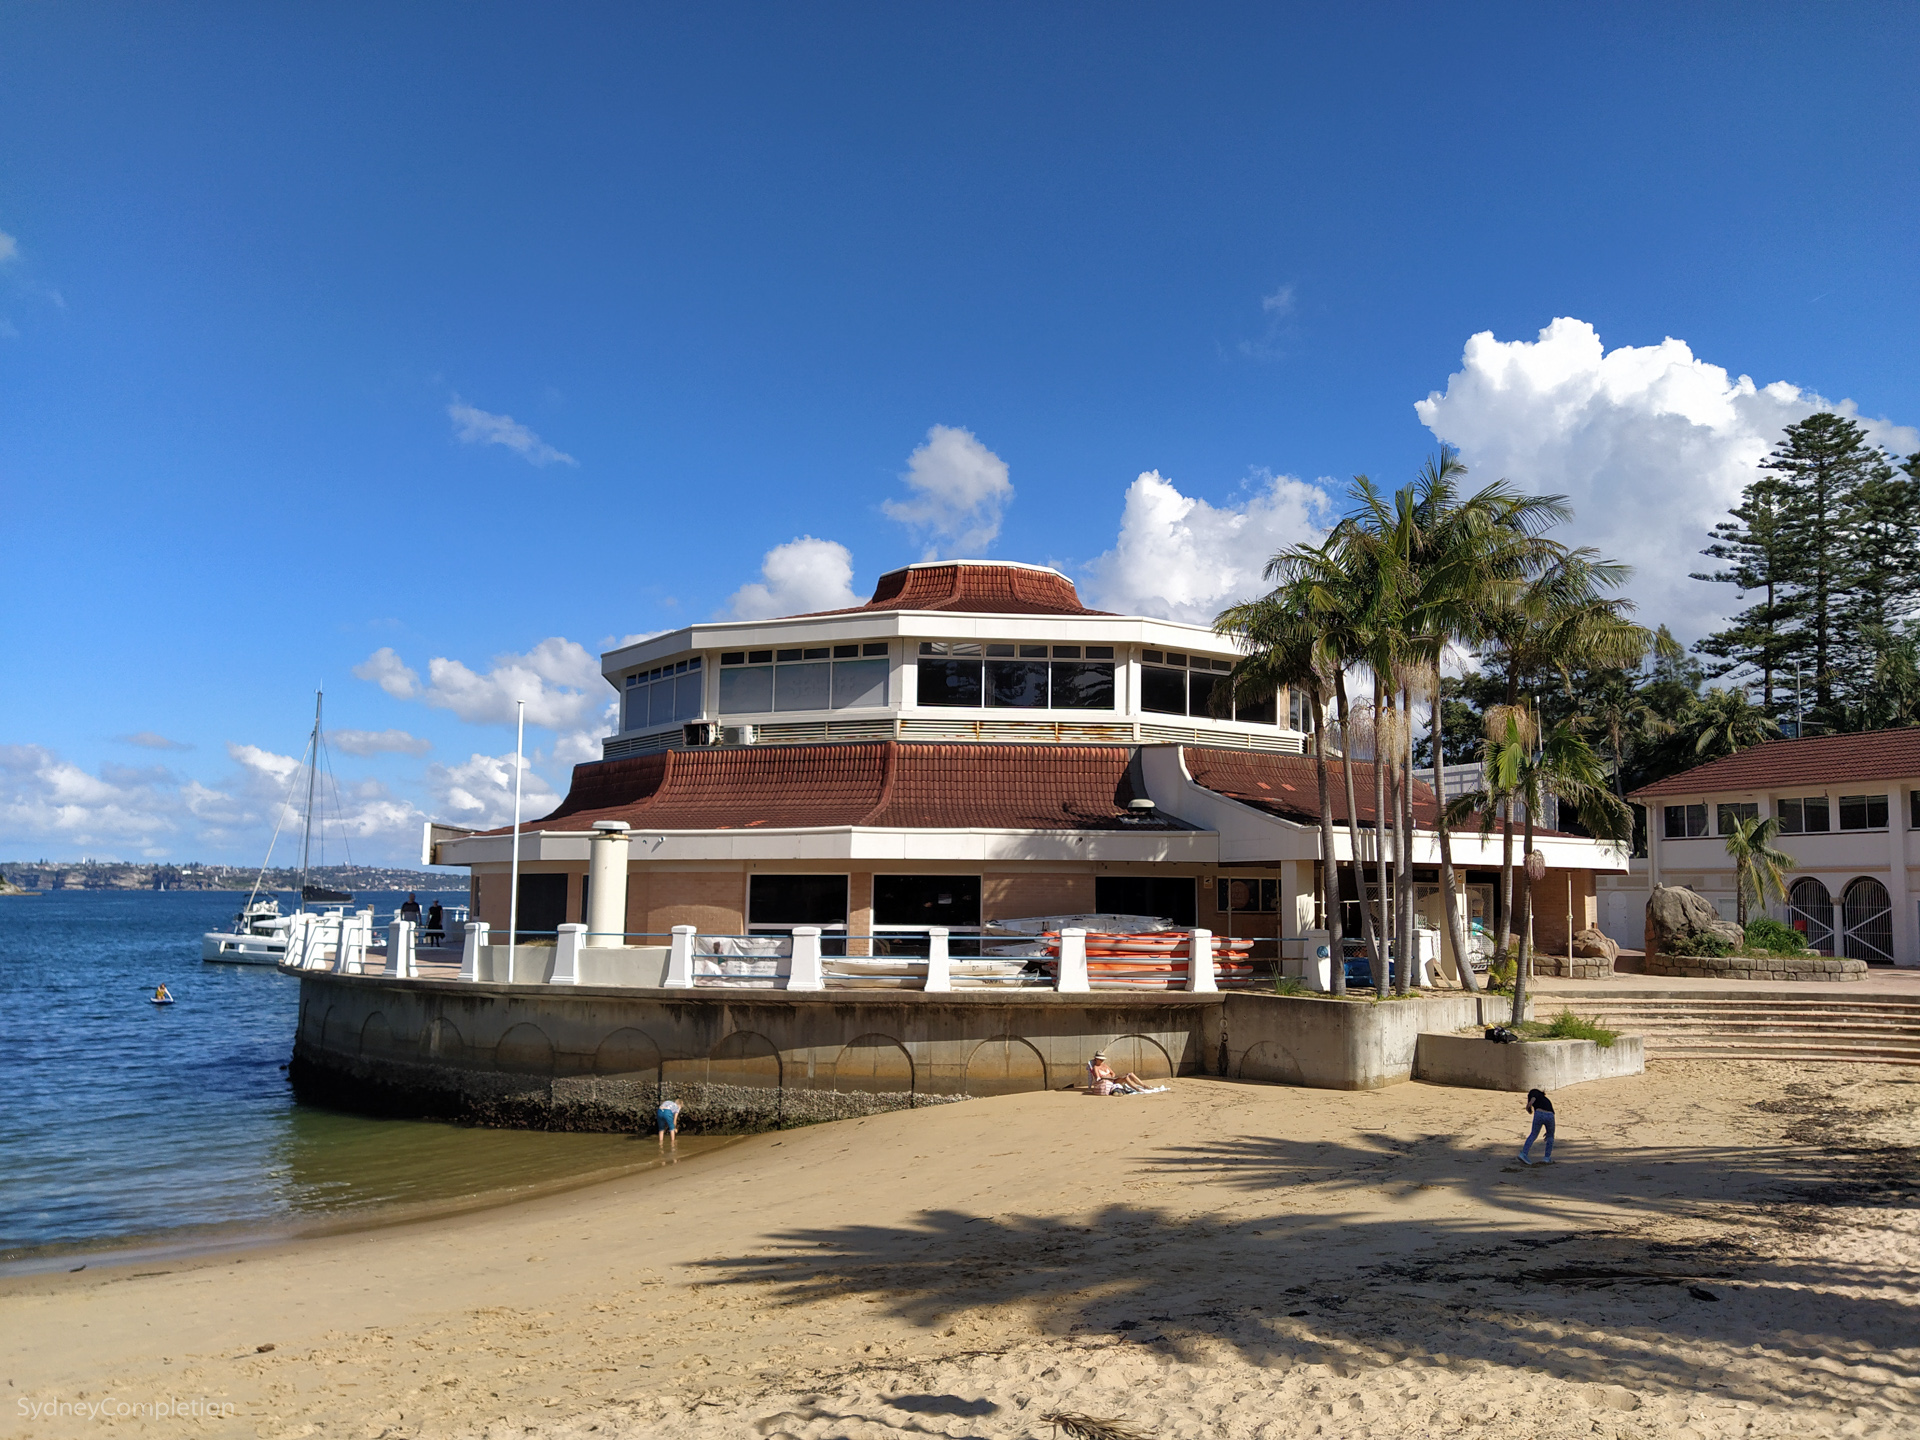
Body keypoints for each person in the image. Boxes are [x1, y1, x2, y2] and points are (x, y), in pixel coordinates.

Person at [1086, 1052, 1152, 1096]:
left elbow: (1113, 1073)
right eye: (1101, 1060)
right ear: (1096, 1059)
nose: (1102, 1061)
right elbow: (1098, 1077)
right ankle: (1137, 1089)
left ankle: (1144, 1085)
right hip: (1107, 1081)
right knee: (1125, 1078)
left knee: (1130, 1074)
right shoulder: (1095, 1067)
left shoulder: (1105, 1065)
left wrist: (1112, 1076)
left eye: (1102, 1060)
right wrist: (1106, 1077)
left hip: (1113, 1079)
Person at [1519, 1087, 1555, 1164]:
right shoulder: (1545, 1099)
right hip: (1550, 1115)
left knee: (1533, 1134)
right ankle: (1547, 1157)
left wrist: (1529, 1105)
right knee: (1550, 1136)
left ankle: (1524, 1153)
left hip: (1539, 1114)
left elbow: (1533, 1098)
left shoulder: (1533, 1093)